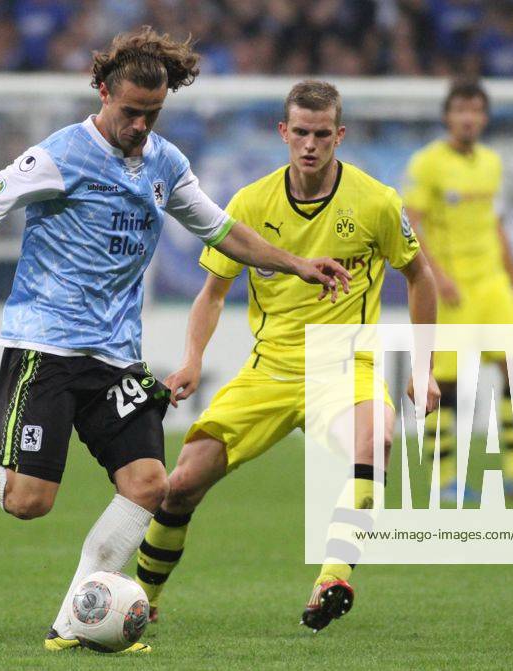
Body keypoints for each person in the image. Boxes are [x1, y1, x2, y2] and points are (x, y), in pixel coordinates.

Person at [0, 28, 351, 654]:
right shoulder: (59, 156)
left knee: (149, 485)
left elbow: (225, 232)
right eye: (130, 112)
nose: (141, 126)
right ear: (102, 93)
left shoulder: (166, 164)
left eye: (152, 113)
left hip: (117, 354)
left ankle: (73, 622)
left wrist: (296, 263)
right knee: (28, 501)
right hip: (47, 346)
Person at [134, 80, 440, 633]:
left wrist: (423, 368)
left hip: (346, 369)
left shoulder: (376, 202)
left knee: (378, 441)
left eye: (323, 134)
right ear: (283, 132)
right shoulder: (252, 202)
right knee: (180, 483)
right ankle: (141, 596)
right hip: (269, 372)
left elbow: (420, 277)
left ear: (339, 136)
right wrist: (193, 360)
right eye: (300, 132)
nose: (310, 145)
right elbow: (212, 292)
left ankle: (332, 577)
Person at [401, 79, 513, 503]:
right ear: (448, 117)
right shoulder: (427, 163)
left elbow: (497, 224)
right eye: (460, 110)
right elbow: (411, 223)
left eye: (475, 110)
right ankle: (446, 478)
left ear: (484, 117)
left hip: (492, 285)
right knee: (444, 385)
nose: (468, 118)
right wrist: (435, 276)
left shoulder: (491, 163)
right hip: (451, 290)